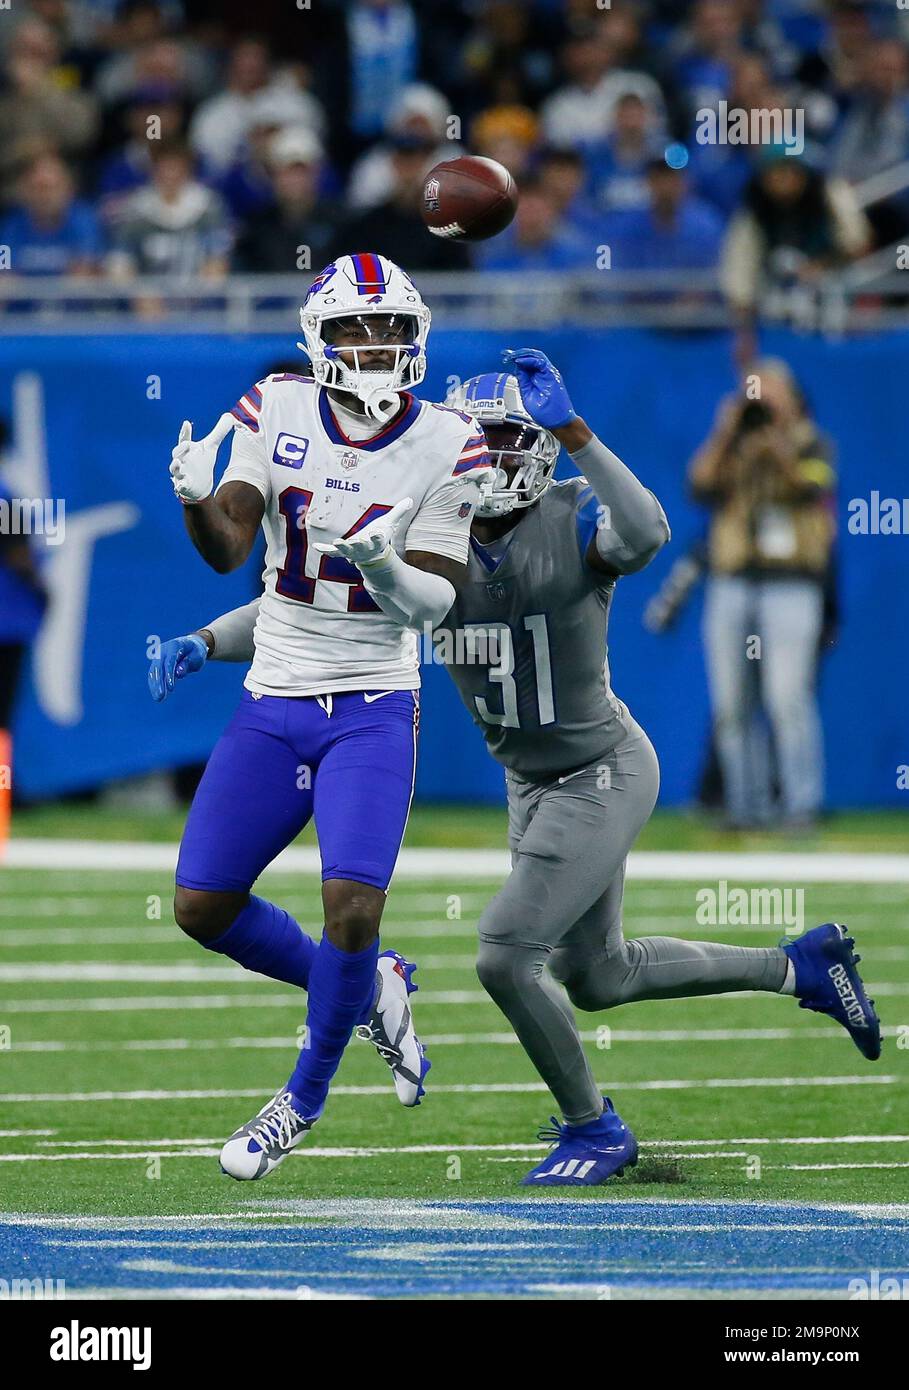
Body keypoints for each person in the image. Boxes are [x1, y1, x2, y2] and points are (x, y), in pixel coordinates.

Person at [152, 351, 880, 1187]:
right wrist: (207, 640)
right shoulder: (433, 521)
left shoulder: (570, 514)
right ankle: (800, 966)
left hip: (599, 767)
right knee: (597, 977)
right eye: (481, 439)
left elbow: (645, 532)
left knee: (502, 952)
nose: (493, 457)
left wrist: (575, 432)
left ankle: (594, 1128)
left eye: (511, 439)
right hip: (527, 782)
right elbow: (312, 600)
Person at [150, 252, 491, 1180]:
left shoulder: (454, 440)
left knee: (352, 906)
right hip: (275, 694)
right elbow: (229, 547)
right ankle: (368, 985)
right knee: (200, 904)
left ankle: (299, 1099)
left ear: (416, 338)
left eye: (392, 328)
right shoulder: (277, 405)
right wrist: (191, 499)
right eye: (357, 328)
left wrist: (384, 565)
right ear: (320, 338)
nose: (376, 344)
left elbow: (437, 606)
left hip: (374, 705)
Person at [688, 359, 836, 830]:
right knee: (732, 703)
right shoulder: (732, 445)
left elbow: (811, 487)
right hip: (733, 582)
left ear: (792, 399)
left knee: (786, 697)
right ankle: (745, 807)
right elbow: (699, 483)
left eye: (772, 395)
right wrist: (727, 430)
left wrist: (777, 446)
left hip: (791, 583)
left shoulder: (813, 443)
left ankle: (800, 805)